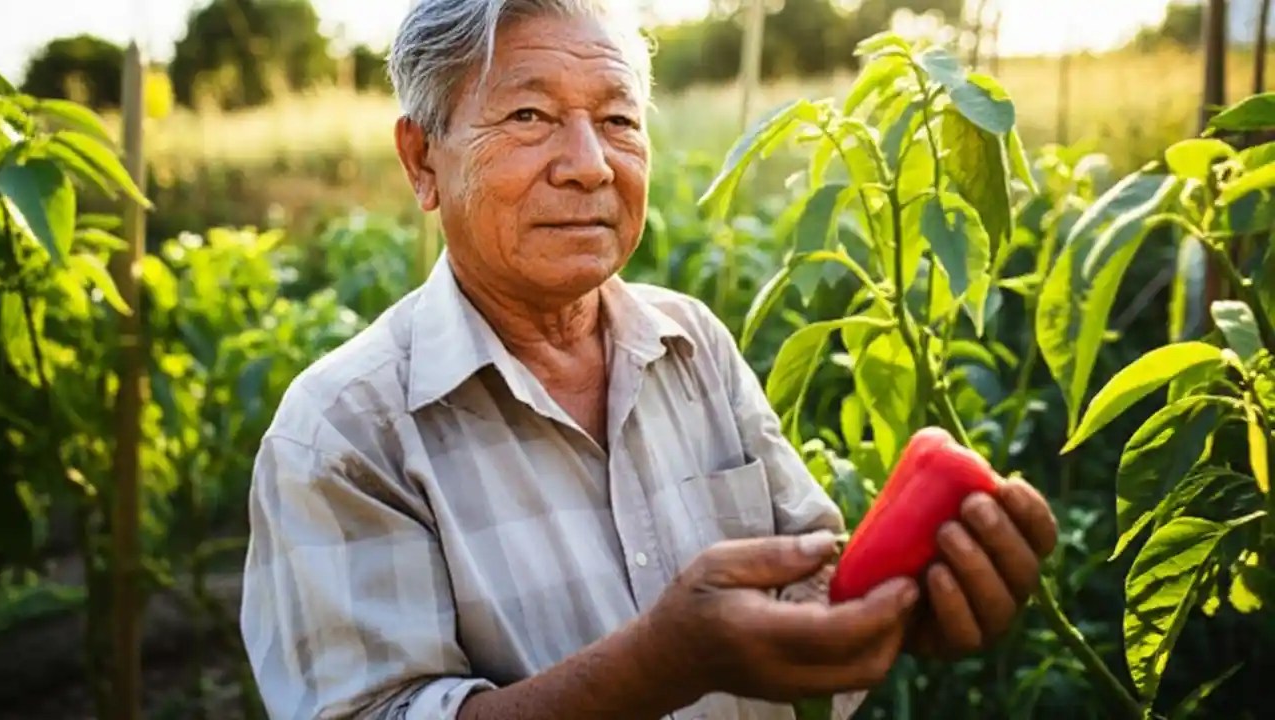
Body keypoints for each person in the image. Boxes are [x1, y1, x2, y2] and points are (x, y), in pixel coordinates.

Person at [238, 1, 1060, 718]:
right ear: (423, 161)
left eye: (619, 121)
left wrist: (906, 606)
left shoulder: (690, 343)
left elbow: (809, 582)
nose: (590, 164)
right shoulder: (345, 433)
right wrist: (660, 665)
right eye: (528, 116)